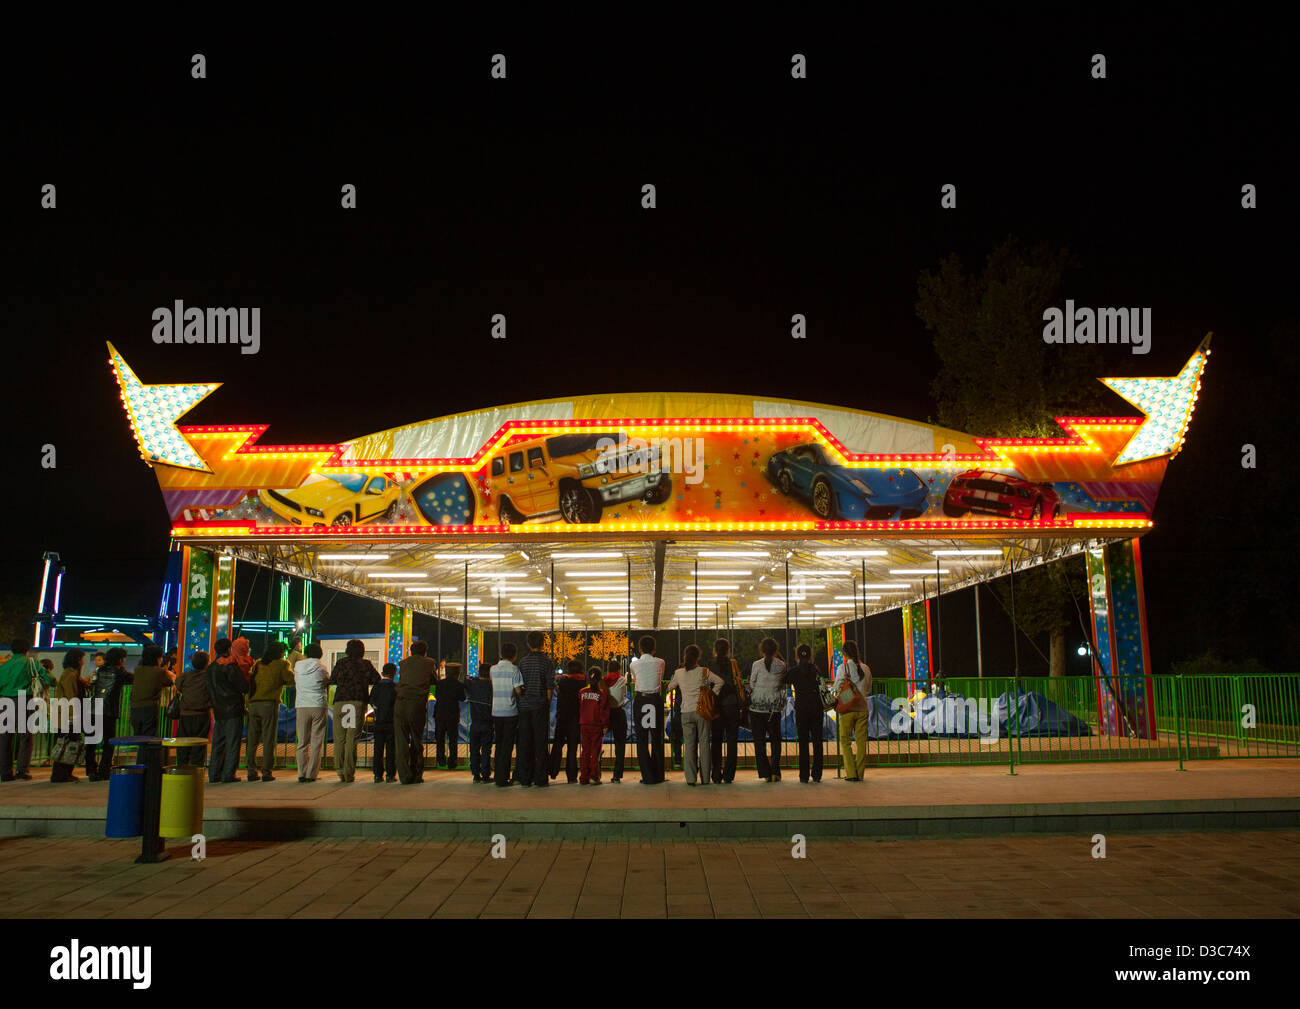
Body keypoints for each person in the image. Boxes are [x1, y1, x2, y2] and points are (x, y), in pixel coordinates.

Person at [666, 645, 724, 786]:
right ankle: (705, 778)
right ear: (698, 657)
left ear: (685, 656)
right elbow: (720, 682)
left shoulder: (679, 672)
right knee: (704, 744)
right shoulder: (704, 672)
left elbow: (669, 687)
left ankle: (691, 778)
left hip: (686, 712)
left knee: (689, 745)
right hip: (702, 712)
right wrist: (711, 694)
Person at [329, 639, 380, 783]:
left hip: (340, 702)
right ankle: (349, 772)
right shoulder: (365, 664)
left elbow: (333, 679)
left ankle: (339, 770)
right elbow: (377, 679)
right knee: (352, 739)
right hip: (357, 702)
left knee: (339, 738)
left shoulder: (341, 663)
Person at [246, 641, 294, 782]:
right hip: (269, 704)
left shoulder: (258, 663)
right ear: (280, 652)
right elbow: (290, 680)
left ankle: (251, 772)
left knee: (252, 740)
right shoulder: (282, 664)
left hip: (253, 704)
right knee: (268, 739)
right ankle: (266, 772)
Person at [206, 638, 249, 783]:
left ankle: (214, 774)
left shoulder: (211, 668)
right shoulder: (230, 666)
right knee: (232, 743)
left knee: (217, 743)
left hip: (218, 710)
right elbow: (243, 686)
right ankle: (229, 774)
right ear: (228, 649)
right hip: (233, 709)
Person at [86, 647, 131, 781]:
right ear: (120, 659)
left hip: (93, 709)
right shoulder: (121, 672)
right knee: (108, 743)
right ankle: (104, 770)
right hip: (108, 711)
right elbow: (133, 678)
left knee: (91, 743)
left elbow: (92, 683)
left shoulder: (100, 671)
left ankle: (91, 771)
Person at [394, 641, 436, 785]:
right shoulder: (429, 663)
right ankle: (417, 774)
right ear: (425, 652)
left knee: (401, 742)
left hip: (399, 703)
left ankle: (404, 776)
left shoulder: (403, 663)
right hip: (416, 704)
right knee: (416, 740)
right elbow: (434, 680)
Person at [515, 631, 553, 788]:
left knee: (524, 742)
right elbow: (550, 686)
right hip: (540, 705)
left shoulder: (522, 662)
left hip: (524, 707)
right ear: (543, 644)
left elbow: (518, 686)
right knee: (540, 743)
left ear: (528, 644)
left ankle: (525, 777)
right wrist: (547, 703)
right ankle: (541, 778)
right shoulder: (547, 662)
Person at [748, 637, 787, 782]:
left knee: (759, 741)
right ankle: (776, 771)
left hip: (757, 707)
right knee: (775, 740)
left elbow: (752, 683)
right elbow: (782, 682)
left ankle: (765, 773)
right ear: (776, 650)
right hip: (774, 708)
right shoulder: (782, 665)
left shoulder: (756, 665)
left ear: (762, 650)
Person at [834, 641, 873, 782]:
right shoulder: (866, 668)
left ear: (844, 653)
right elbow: (868, 688)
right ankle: (860, 773)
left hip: (847, 709)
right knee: (861, 742)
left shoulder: (842, 668)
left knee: (845, 741)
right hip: (862, 707)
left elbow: (837, 687)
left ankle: (851, 773)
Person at [630, 636, 666, 784]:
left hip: (641, 700)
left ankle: (647, 775)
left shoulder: (634, 665)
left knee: (642, 739)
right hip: (655, 699)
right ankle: (658, 775)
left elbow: (635, 679)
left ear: (639, 649)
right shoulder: (660, 662)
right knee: (657, 738)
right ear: (654, 649)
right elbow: (660, 677)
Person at [50, 649, 89, 782]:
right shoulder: (70, 675)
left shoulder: (70, 674)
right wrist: (73, 717)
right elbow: (70, 696)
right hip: (68, 716)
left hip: (65, 715)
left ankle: (62, 773)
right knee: (68, 745)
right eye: (82, 659)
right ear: (78, 660)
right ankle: (61, 774)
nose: (83, 662)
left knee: (66, 743)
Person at [788, 643, 825, 783]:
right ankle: (817, 774)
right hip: (816, 707)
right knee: (817, 741)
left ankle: (803, 775)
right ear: (810, 655)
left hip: (801, 707)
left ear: (797, 656)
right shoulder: (816, 671)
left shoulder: (794, 671)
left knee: (803, 742)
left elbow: (784, 679)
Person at [293, 643, 330, 783]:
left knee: (302, 741)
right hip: (318, 704)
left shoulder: (297, 666)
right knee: (316, 742)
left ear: (306, 653)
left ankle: (301, 773)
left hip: (302, 705)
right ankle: (311, 774)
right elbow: (326, 681)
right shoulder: (322, 667)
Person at [708, 638, 744, 784]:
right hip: (732, 705)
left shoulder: (710, 664)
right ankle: (729, 775)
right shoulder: (733, 664)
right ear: (728, 650)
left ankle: (716, 774)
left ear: (715, 650)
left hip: (716, 706)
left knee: (716, 740)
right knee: (731, 740)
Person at [490, 643, 524, 787]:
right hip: (510, 712)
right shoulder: (514, 670)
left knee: (499, 743)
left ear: (500, 654)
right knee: (507, 745)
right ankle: (504, 778)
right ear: (514, 656)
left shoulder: (492, 669)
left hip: (496, 711)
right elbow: (518, 691)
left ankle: (498, 775)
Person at [548, 659, 586, 783]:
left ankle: (552, 770)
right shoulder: (584, 682)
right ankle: (572, 776)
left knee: (558, 744)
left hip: (563, 716)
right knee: (572, 747)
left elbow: (556, 687)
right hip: (576, 717)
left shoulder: (563, 681)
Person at [173, 651, 213, 766]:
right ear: (207, 663)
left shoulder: (185, 676)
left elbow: (178, 685)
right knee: (199, 743)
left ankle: (182, 766)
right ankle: (196, 768)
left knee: (183, 743)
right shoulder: (208, 677)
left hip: (185, 715)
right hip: (202, 714)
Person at [128, 644, 172, 738]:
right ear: (157, 658)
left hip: (134, 708)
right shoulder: (159, 672)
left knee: (138, 737)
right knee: (149, 737)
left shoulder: (138, 669)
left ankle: (140, 752)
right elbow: (169, 682)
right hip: (149, 709)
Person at [578, 664, 610, 785]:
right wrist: (605, 725)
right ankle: (594, 776)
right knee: (595, 752)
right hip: (596, 725)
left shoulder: (582, 692)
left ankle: (583, 777)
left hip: (584, 724)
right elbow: (603, 710)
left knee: (585, 751)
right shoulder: (602, 693)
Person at [433, 661, 466, 769]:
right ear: (458, 673)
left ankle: (440, 759)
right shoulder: (459, 685)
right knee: (452, 739)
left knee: (440, 738)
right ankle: (452, 761)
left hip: (439, 714)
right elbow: (462, 698)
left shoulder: (440, 684)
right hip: (452, 715)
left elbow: (437, 695)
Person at [467, 663, 495, 783]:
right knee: (486, 750)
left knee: (474, 749)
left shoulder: (473, 685)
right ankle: (485, 774)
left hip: (475, 722)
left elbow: (466, 680)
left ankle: (475, 774)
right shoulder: (491, 687)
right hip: (487, 722)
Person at [370, 663, 398, 782]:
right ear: (394, 674)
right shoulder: (396, 687)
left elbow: (371, 701)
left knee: (378, 749)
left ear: (382, 673)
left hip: (379, 721)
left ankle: (377, 774)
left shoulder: (376, 687)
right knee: (391, 749)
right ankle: (390, 774)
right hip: (392, 722)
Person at [602, 660, 628, 783]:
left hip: (605, 713)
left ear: (607, 670)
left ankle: (595, 770)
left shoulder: (602, 681)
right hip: (618, 713)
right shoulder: (622, 680)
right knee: (620, 744)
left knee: (597, 742)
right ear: (619, 670)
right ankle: (617, 775)